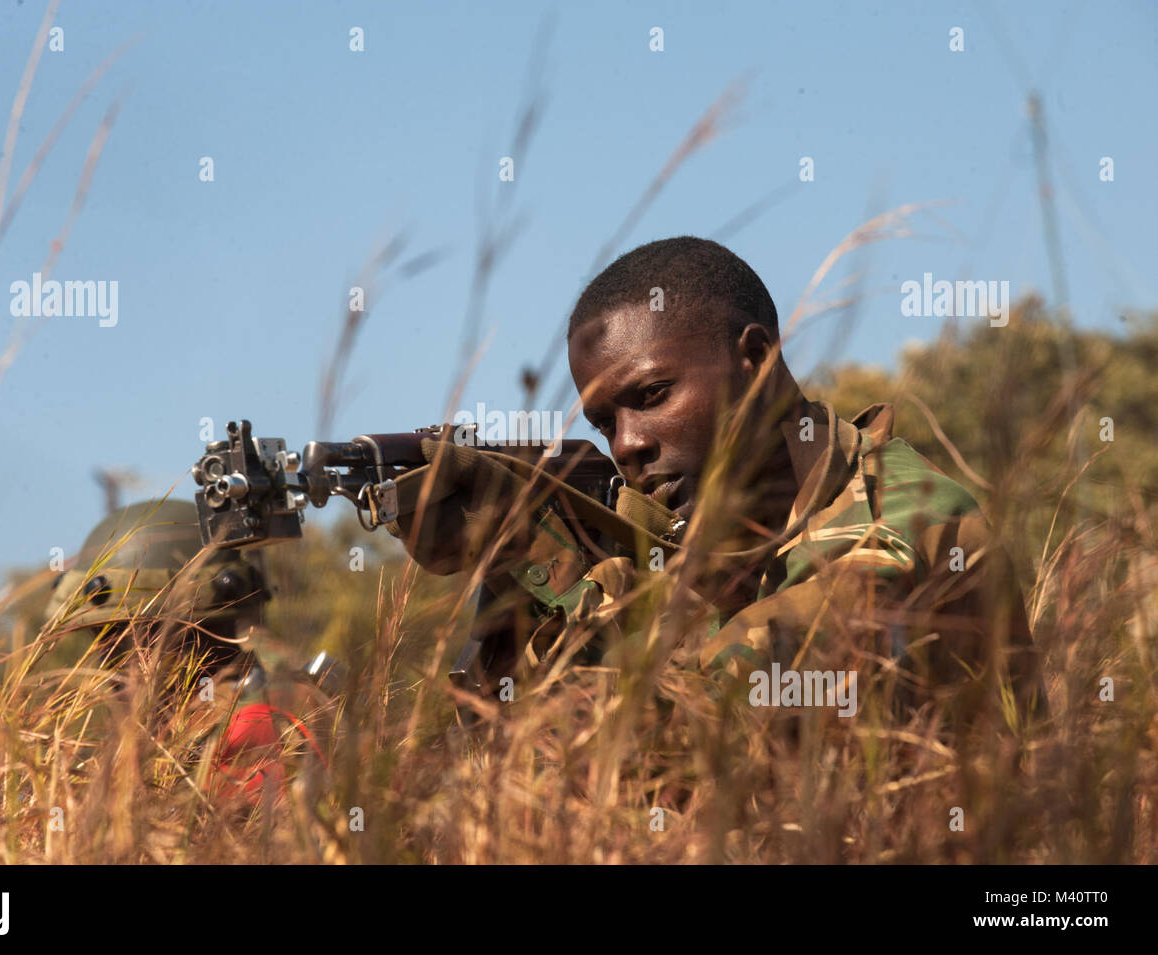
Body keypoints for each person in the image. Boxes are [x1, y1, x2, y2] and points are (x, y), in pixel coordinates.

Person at [393, 236, 1044, 728]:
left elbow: (695, 727)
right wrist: (509, 567)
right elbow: (498, 750)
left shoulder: (902, 525)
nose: (626, 444)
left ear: (756, 361)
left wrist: (544, 557)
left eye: (651, 394)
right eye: (602, 423)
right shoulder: (691, 547)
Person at [43, 499, 339, 804]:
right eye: (101, 638)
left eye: (118, 638)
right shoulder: (175, 737)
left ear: (182, 635)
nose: (106, 662)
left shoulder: (246, 736)